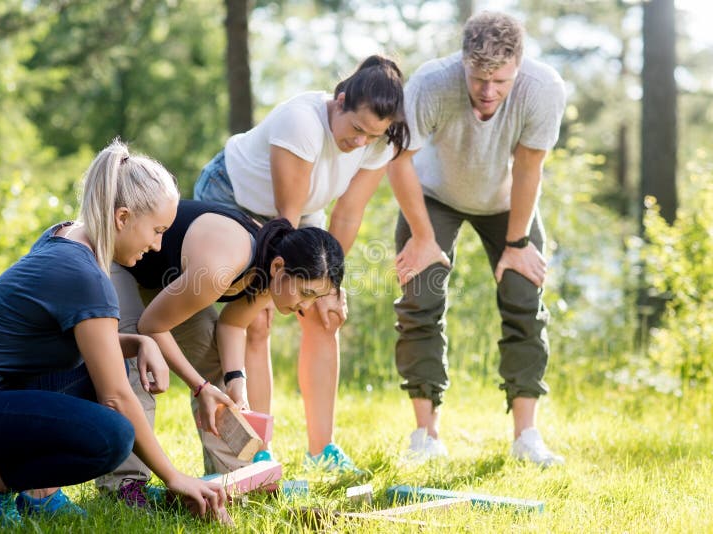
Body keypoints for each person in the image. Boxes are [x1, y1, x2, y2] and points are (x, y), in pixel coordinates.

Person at [0, 140, 228, 525]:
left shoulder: (68, 237)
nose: (158, 245)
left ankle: (39, 491)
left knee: (108, 366)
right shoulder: (82, 273)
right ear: (122, 217)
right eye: (157, 230)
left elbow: (87, 344)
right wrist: (175, 477)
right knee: (112, 436)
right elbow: (116, 397)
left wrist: (140, 341)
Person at [193, 54, 409, 471]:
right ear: (340, 99)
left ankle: (321, 451)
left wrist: (330, 287)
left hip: (301, 212)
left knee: (325, 315)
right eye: (356, 129)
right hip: (233, 198)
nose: (360, 142)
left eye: (373, 135)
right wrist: (278, 293)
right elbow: (284, 229)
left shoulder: (380, 140)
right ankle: (258, 451)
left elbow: (347, 214)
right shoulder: (302, 123)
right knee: (256, 318)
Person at [388, 12, 566, 466]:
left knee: (524, 297)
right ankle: (425, 436)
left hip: (507, 203)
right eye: (479, 77)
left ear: (519, 67)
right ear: (463, 62)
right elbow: (399, 162)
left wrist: (518, 244)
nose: (489, 91)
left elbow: (529, 168)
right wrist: (424, 237)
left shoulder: (542, 90)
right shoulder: (431, 83)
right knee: (420, 302)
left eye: (501, 81)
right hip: (433, 197)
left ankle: (526, 436)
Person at [96, 199, 345, 496]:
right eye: (305, 293)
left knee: (215, 365)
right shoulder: (224, 267)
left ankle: (232, 477)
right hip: (121, 261)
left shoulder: (273, 266)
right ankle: (125, 486)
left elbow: (232, 325)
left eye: (314, 298)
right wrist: (199, 387)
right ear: (280, 267)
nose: (305, 307)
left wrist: (235, 380)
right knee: (140, 362)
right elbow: (151, 327)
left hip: (170, 280)